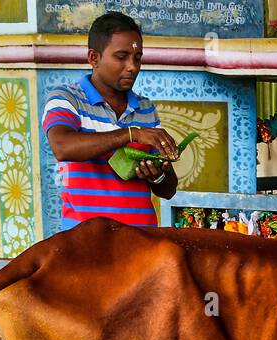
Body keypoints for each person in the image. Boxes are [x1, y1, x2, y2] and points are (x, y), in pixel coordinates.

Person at [41, 11, 179, 230]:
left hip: (141, 241)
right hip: (85, 242)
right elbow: (62, 146)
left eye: (137, 58)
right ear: (94, 58)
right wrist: (130, 134)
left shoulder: (145, 109)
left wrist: (157, 176)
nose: (132, 66)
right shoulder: (67, 98)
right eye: (121, 57)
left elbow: (168, 190)